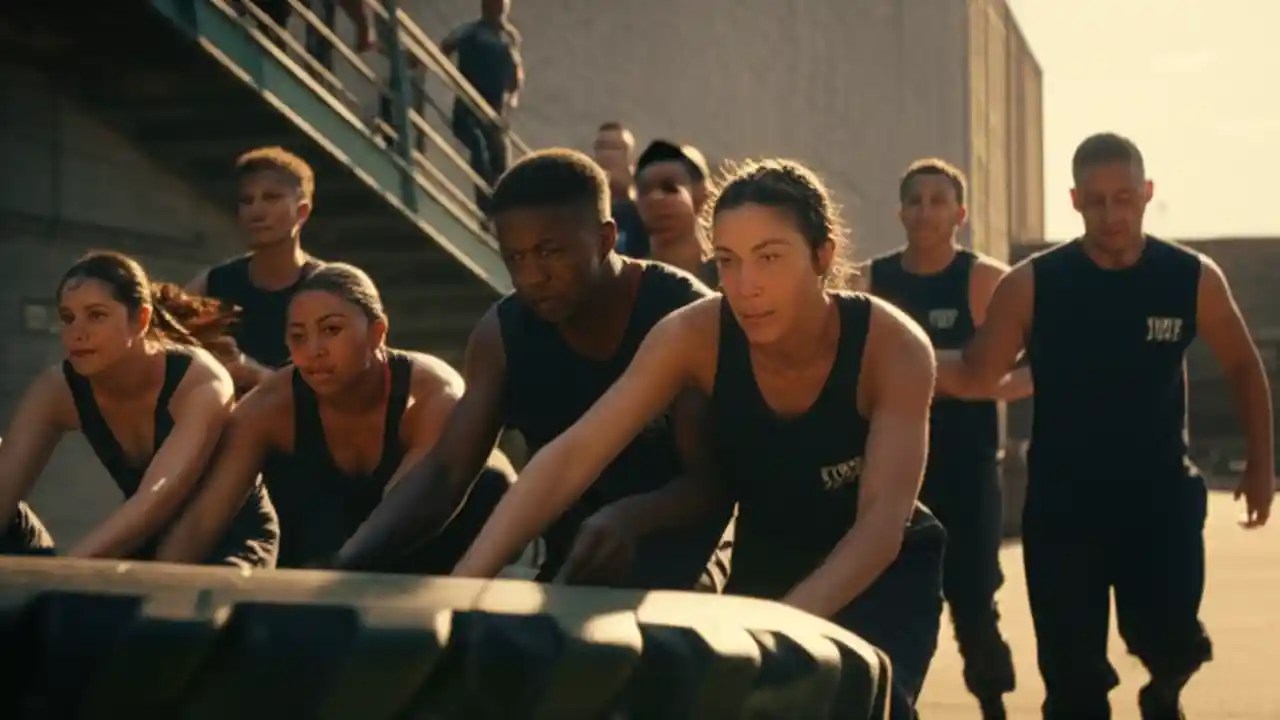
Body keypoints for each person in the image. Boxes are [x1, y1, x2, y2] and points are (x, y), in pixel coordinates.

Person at [453, 158, 947, 719]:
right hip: (768, 554)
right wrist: (460, 591)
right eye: (729, 262)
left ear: (823, 255)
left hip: (882, 570)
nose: (746, 286)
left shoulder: (892, 347)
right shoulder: (693, 335)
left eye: (770, 258)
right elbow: (573, 455)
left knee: (849, 706)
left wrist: (777, 628)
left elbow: (880, 528)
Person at [936, 132, 1275, 720]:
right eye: (1096, 201)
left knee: (1171, 640)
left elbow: (1244, 365)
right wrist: (879, 350)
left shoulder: (1190, 276)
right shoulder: (1033, 284)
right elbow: (974, 373)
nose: (1111, 214)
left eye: (1124, 197)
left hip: (1160, 498)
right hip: (1065, 507)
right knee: (1072, 682)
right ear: (1074, 201)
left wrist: (1263, 464)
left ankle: (1163, 689)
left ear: (1147, 193)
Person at [328, 149, 732, 591]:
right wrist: (345, 562)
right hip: (573, 566)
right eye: (515, 258)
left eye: (549, 252)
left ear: (604, 240)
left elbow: (711, 484)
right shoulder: (501, 336)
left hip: (693, 565)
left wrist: (631, 517)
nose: (532, 276)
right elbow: (447, 473)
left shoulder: (683, 315)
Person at [157, 263, 514, 571]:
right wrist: (152, 589)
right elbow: (203, 521)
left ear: (378, 333)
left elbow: (409, 510)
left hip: (425, 534)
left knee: (491, 479)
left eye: (331, 330)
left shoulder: (432, 393)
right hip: (320, 542)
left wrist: (340, 568)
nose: (314, 351)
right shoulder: (269, 406)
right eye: (298, 336)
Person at [855, 158, 1030, 719]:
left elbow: (1036, 366)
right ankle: (895, 704)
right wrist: (957, 372)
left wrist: (979, 385)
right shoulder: (870, 282)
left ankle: (992, 701)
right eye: (915, 200)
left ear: (961, 213)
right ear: (899, 212)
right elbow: (853, 371)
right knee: (893, 597)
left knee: (973, 599)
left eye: (938, 200)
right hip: (892, 467)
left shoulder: (987, 281)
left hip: (968, 469)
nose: (926, 210)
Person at [0, 251, 278, 567]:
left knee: (161, 613)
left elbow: (155, 497)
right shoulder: (57, 388)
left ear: (141, 319)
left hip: (228, 547)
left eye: (97, 315)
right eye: (67, 317)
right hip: (142, 543)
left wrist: (65, 572)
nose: (77, 332)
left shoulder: (199, 381)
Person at [188, 146, 324, 395]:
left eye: (271, 198)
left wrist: (253, 374)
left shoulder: (330, 288)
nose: (257, 211)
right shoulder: (211, 285)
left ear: (302, 212)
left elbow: (346, 393)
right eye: (247, 201)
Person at [440, 0, 523, 214]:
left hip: (493, 115)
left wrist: (510, 106)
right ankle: (485, 210)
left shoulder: (508, 38)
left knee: (502, 164)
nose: (497, 9)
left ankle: (502, 214)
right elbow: (444, 47)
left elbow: (515, 80)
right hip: (467, 109)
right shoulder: (470, 33)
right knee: (478, 146)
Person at [634, 139, 718, 285]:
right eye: (645, 189)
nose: (655, 198)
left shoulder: (728, 276)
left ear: (702, 195)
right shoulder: (631, 284)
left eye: (669, 187)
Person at [592, 121, 649, 258]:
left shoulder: (646, 208)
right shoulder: (584, 208)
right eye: (602, 147)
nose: (608, 154)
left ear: (631, 157)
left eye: (616, 148)